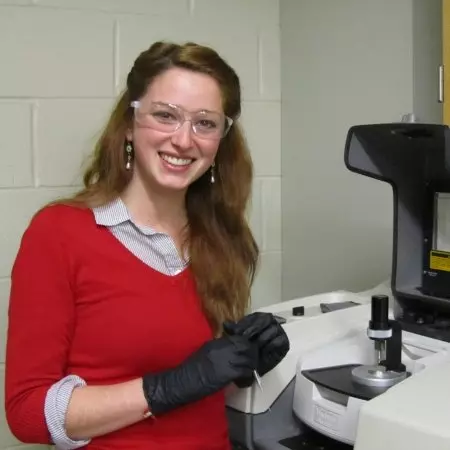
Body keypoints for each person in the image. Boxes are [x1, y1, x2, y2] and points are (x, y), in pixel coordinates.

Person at [4, 41, 290, 450]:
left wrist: (244, 365)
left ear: (221, 140)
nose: (184, 140)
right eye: (165, 116)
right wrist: (164, 389)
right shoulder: (58, 233)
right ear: (129, 122)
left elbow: (198, 384)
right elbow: (27, 413)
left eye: (205, 123)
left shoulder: (219, 236)